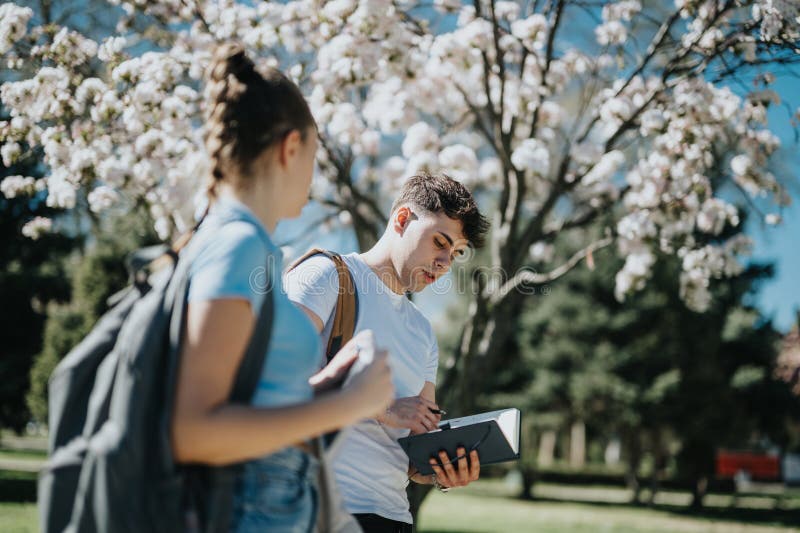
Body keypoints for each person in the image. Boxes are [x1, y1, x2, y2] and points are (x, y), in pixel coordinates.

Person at [170, 43, 394, 533]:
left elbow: (248, 396)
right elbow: (193, 430)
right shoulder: (239, 245)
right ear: (291, 148)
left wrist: (325, 385)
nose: (314, 179)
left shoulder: (246, 246)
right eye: (314, 155)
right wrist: (348, 406)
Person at [285, 173, 490, 532]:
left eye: (455, 254)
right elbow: (264, 381)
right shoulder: (326, 276)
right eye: (439, 242)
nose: (444, 262)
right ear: (402, 219)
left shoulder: (422, 332)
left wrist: (444, 469)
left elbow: (413, 453)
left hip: (395, 518)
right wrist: (384, 408)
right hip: (321, 509)